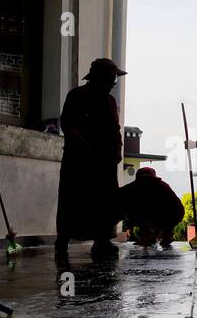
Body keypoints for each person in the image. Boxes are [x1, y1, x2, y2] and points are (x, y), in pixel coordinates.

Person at [56, 57, 126, 259]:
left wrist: (117, 151)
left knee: (104, 203)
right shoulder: (77, 96)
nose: (113, 83)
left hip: (105, 162)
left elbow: (115, 129)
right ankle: (63, 240)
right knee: (72, 200)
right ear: (100, 78)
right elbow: (69, 126)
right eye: (111, 79)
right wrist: (87, 149)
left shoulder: (109, 101)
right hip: (79, 162)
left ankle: (101, 240)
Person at [119, 167, 184, 249]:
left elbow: (119, 198)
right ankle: (164, 236)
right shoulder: (163, 186)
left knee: (131, 209)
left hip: (154, 215)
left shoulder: (132, 187)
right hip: (170, 215)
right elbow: (177, 207)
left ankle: (149, 235)